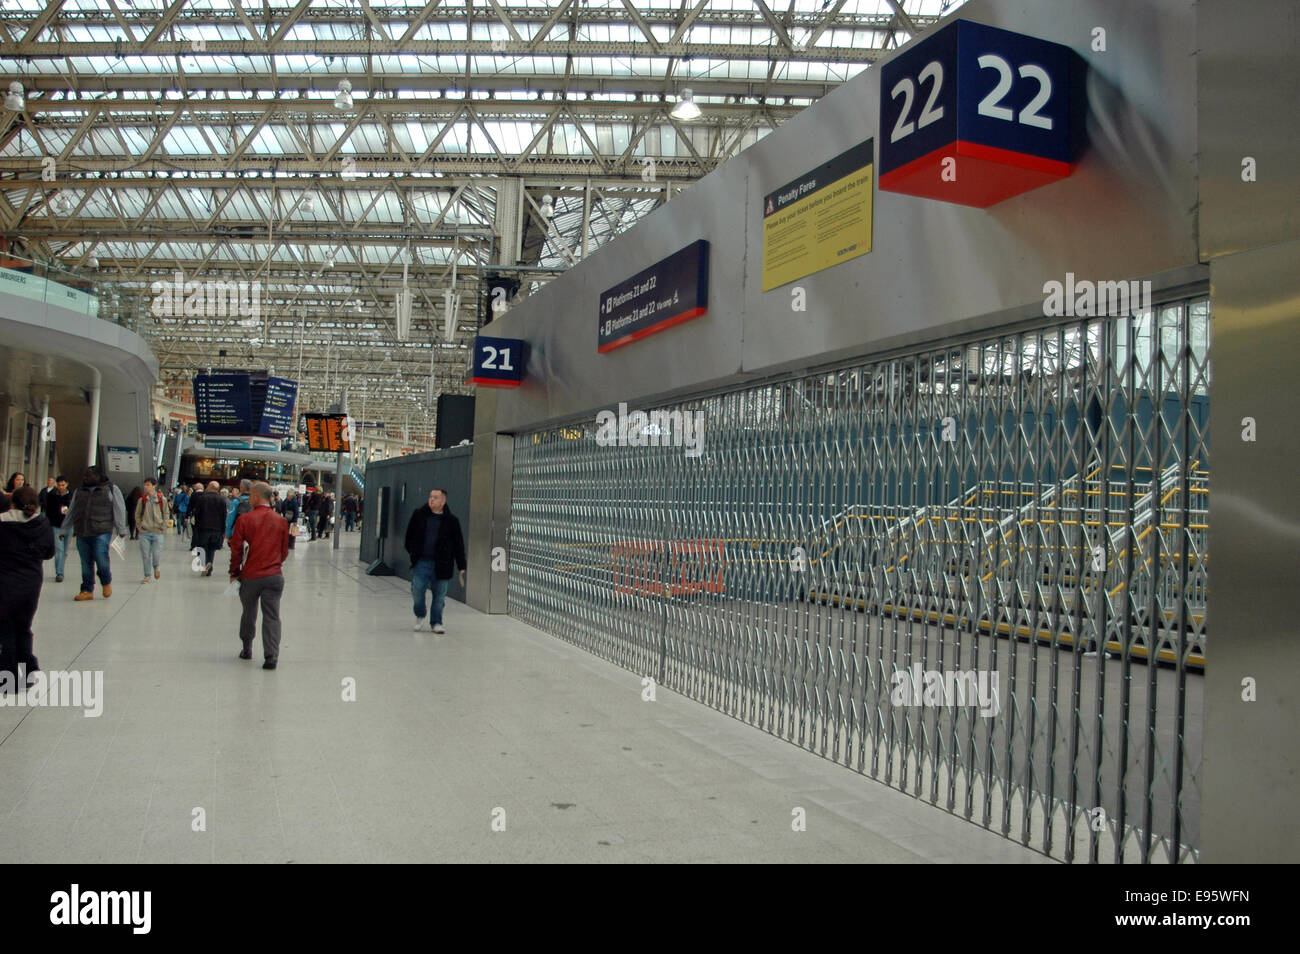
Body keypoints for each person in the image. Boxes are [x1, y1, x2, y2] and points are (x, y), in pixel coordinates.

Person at [229, 481, 289, 670]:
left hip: (250, 576)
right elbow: (284, 550)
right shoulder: (280, 521)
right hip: (274, 575)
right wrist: (275, 563)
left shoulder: (245, 520)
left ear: (255, 497)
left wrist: (234, 572)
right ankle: (271, 656)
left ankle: (247, 649)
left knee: (249, 612)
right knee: (272, 616)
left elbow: (236, 549)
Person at [0, 486, 55, 689]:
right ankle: (28, 673)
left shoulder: (3, 524)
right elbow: (49, 552)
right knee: (24, 628)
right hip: (31, 582)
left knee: (6, 628)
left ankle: (8, 678)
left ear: (12, 502)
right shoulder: (42, 523)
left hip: (5, 582)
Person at [403, 488, 466, 635]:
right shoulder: (419, 515)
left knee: (439, 596)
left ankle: (436, 622)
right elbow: (409, 536)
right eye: (431, 496)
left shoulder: (451, 521)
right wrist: (413, 552)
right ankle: (420, 613)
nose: (432, 500)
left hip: (443, 564)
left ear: (443, 501)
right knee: (417, 590)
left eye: (436, 497)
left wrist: (461, 564)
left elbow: (458, 544)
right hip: (422, 562)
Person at [66, 465, 127, 601]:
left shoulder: (111, 489)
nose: (86, 478)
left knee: (101, 556)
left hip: (102, 530)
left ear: (98, 476)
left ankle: (106, 581)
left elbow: (119, 509)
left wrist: (121, 529)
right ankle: (87, 589)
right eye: (85, 475)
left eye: (89, 475)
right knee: (85, 562)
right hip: (82, 531)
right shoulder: (79, 491)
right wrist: (65, 528)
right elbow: (72, 510)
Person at [190, 480, 228, 576]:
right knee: (211, 549)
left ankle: (204, 565)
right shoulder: (222, 500)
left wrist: (196, 527)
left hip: (203, 528)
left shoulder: (202, 499)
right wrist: (223, 531)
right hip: (217, 529)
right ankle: (209, 566)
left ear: (210, 487)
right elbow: (224, 516)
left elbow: (197, 514)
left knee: (202, 548)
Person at [135, 477, 168, 583]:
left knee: (156, 553)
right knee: (145, 555)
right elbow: (137, 514)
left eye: (148, 485)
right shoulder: (142, 500)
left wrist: (163, 527)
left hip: (157, 531)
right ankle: (147, 575)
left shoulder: (162, 500)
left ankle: (156, 567)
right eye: (145, 485)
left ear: (154, 486)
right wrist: (139, 527)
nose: (146, 487)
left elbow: (166, 513)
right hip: (145, 531)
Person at [42, 474, 73, 582]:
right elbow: (48, 511)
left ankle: (60, 569)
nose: (61, 487)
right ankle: (60, 573)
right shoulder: (51, 495)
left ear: (67, 484)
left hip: (69, 526)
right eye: (59, 485)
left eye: (63, 485)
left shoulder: (72, 496)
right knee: (59, 550)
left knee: (65, 551)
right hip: (56, 526)